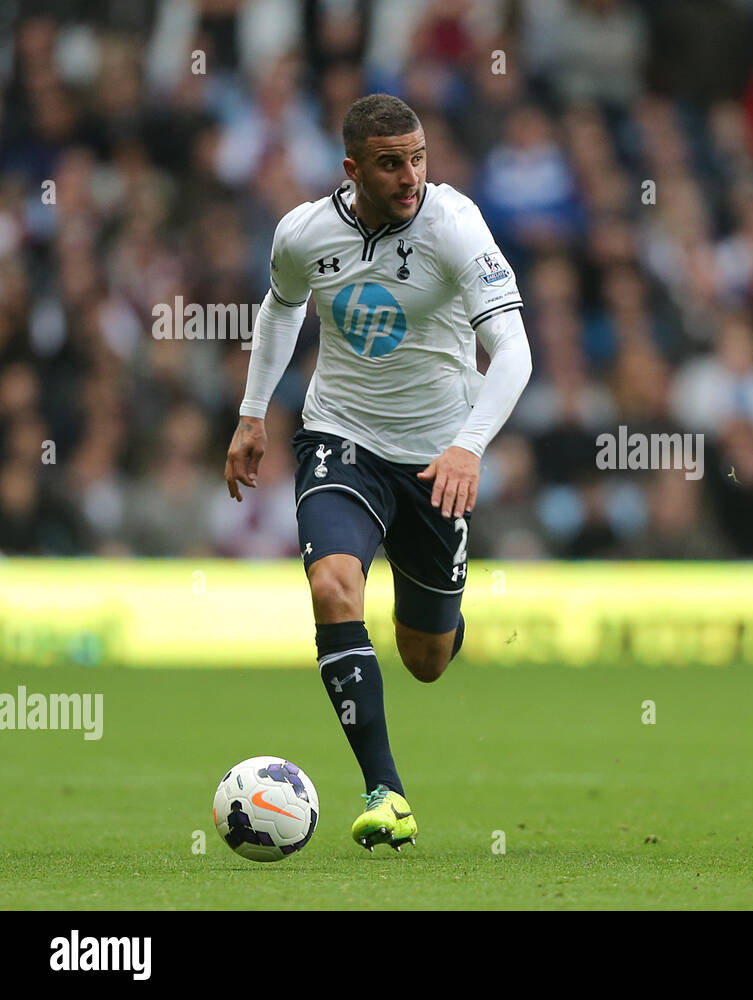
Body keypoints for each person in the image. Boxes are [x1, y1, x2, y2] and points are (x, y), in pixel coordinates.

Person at [223, 94, 531, 852]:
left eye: (419, 157)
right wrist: (253, 411)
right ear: (353, 169)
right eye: (392, 163)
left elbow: (516, 352)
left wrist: (468, 447)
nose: (411, 176)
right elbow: (281, 308)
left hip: (435, 460)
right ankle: (384, 790)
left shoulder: (454, 225)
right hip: (341, 439)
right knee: (332, 585)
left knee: (425, 659)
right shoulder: (302, 232)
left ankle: (437, 610)